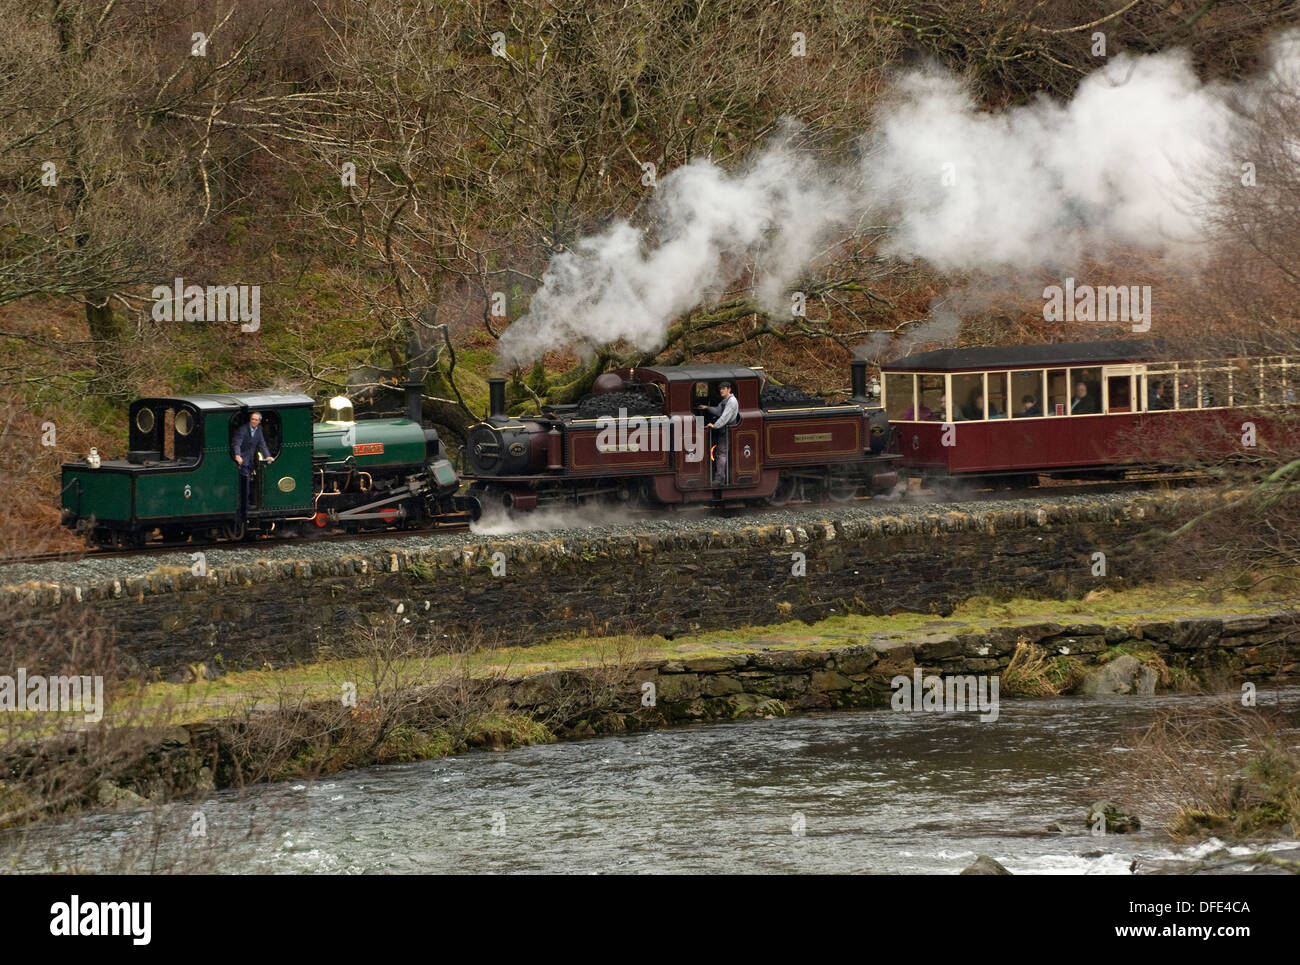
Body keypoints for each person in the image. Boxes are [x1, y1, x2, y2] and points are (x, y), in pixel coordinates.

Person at [232, 411, 275, 515]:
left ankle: (249, 503)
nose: (254, 421)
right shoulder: (243, 429)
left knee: (251, 481)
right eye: (252, 419)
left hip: (251, 459)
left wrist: (267, 456)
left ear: (259, 422)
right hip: (242, 459)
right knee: (245, 481)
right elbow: (237, 443)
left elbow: (262, 444)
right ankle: (245, 506)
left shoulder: (259, 430)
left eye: (256, 420)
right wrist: (237, 455)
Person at [703, 382, 739, 486]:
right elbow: (719, 411)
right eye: (720, 389)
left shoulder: (731, 402)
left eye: (723, 389)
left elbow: (724, 417)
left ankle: (720, 479)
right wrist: (707, 407)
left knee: (721, 454)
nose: (721, 391)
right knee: (719, 453)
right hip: (723, 430)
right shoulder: (725, 401)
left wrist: (715, 426)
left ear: (729, 389)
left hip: (727, 431)